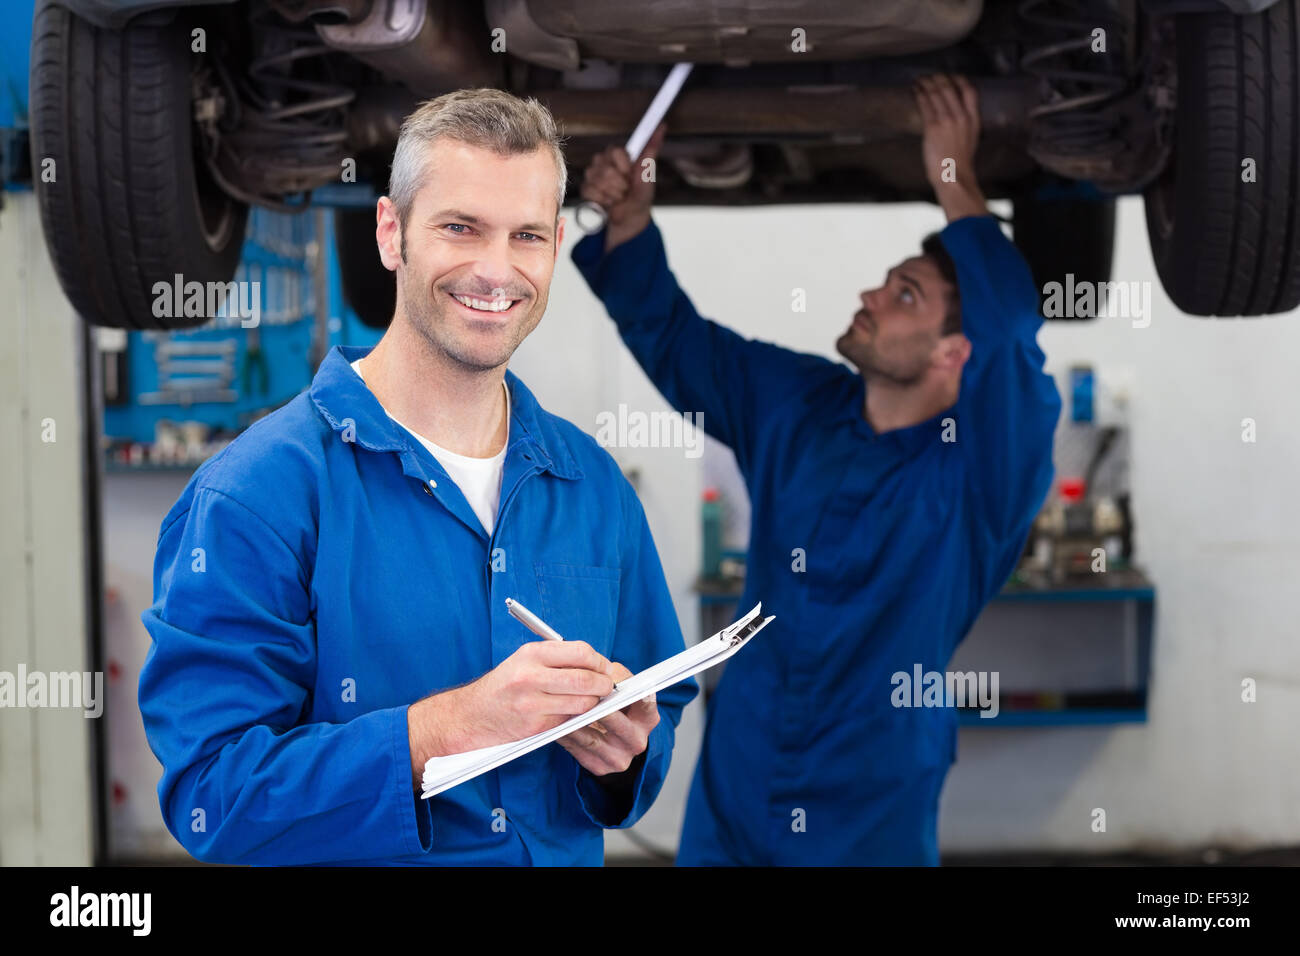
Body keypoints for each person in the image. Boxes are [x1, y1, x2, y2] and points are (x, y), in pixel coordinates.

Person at [138, 88, 696, 866]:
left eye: (527, 236)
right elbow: (212, 798)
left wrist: (628, 755)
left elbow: (656, 712)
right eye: (461, 228)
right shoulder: (260, 493)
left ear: (556, 243)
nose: (497, 270)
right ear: (392, 232)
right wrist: (444, 730)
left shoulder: (592, 486)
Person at [573, 74, 1062, 865]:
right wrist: (629, 220)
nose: (871, 293)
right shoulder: (801, 404)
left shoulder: (981, 472)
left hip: (872, 792)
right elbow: (678, 341)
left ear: (954, 355)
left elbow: (1010, 334)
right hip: (744, 761)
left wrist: (953, 177)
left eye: (905, 294)